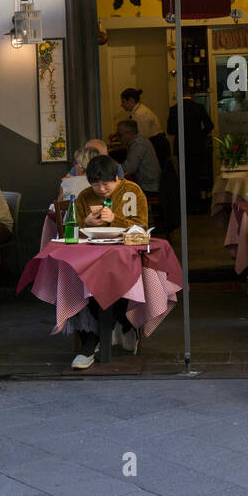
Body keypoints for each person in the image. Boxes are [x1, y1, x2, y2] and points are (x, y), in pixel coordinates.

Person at [66, 155, 148, 370]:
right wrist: (85, 223)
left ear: (117, 178)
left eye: (106, 183)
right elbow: (73, 234)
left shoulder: (133, 191)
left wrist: (115, 220)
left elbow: (143, 227)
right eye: (95, 184)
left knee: (112, 280)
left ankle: (92, 343)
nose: (101, 189)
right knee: (86, 280)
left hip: (126, 259)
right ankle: (122, 323)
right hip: (92, 260)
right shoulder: (84, 197)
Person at [167, 85, 214, 214]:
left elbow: (170, 130)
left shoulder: (174, 109)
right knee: (196, 176)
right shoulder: (198, 107)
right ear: (192, 95)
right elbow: (210, 125)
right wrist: (200, 134)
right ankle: (197, 203)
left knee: (183, 176)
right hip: (196, 146)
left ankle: (185, 205)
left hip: (181, 147)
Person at [116, 120, 160, 194]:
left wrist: (112, 165)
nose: (118, 138)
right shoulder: (141, 140)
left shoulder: (138, 144)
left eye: (120, 135)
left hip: (148, 187)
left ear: (130, 133)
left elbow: (128, 169)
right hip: (149, 183)